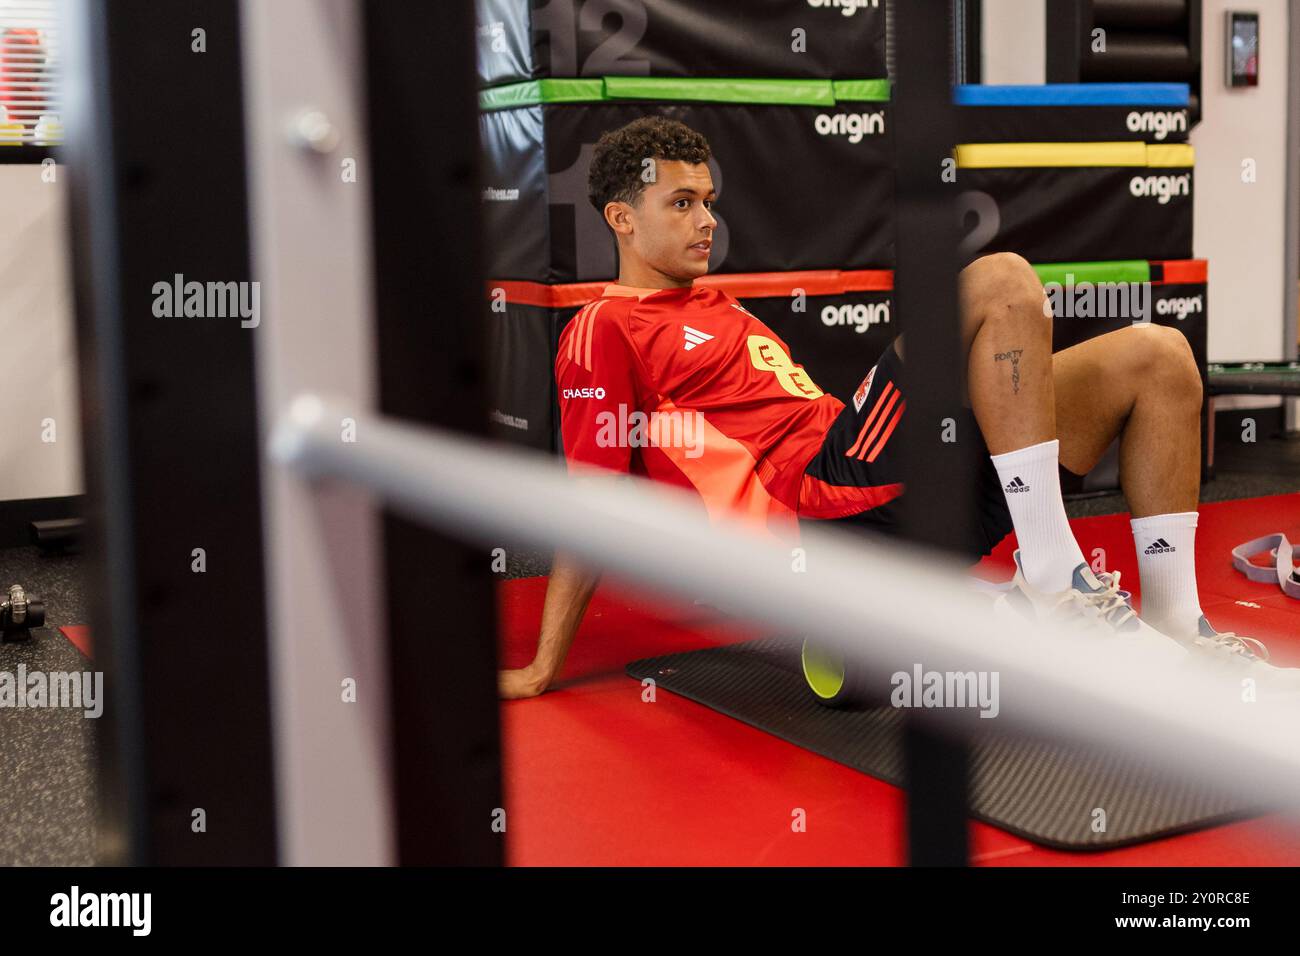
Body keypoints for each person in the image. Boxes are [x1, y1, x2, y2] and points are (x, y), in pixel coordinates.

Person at [498, 116, 1297, 699]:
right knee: (1000, 279)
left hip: (886, 490)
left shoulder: (715, 304)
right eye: (681, 204)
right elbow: (591, 506)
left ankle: (1170, 619)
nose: (707, 220)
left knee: (1158, 354)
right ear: (621, 219)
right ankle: (1053, 579)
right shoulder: (600, 329)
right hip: (822, 509)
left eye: (708, 200)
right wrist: (542, 666)